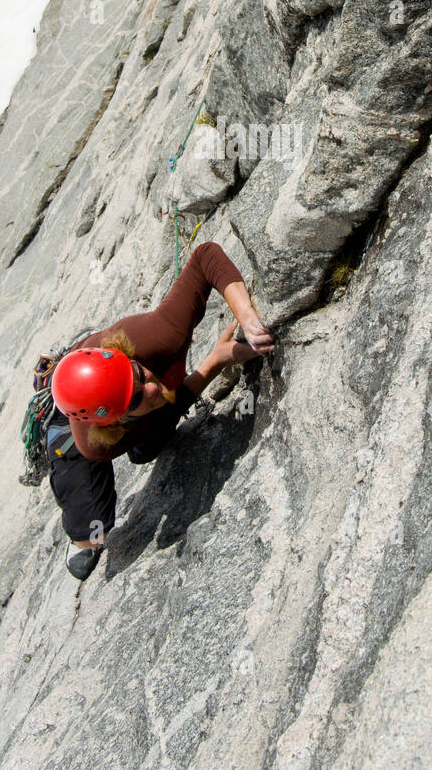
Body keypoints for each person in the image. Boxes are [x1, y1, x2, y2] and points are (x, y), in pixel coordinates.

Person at [47, 242, 275, 579]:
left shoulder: (154, 338)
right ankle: (81, 539)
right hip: (83, 422)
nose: (151, 387)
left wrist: (248, 320)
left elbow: (205, 257)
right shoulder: (98, 444)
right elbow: (161, 408)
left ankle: (137, 420)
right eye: (137, 398)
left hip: (104, 384)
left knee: (150, 445)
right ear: (118, 422)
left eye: (139, 375)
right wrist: (214, 361)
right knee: (92, 527)